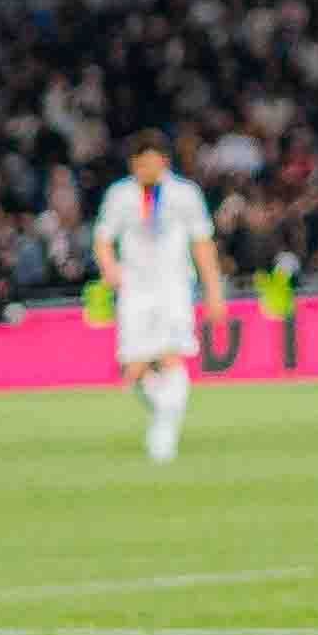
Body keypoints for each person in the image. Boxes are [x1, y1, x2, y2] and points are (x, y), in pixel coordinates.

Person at [91, 133, 216, 463]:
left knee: (172, 357)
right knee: (133, 367)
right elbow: (103, 238)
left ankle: (164, 432)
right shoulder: (119, 195)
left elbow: (202, 242)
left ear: (165, 161)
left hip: (174, 287)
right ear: (133, 164)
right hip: (134, 289)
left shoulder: (185, 194)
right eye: (140, 162)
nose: (146, 167)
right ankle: (165, 411)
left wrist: (214, 291)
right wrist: (109, 268)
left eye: (153, 160)